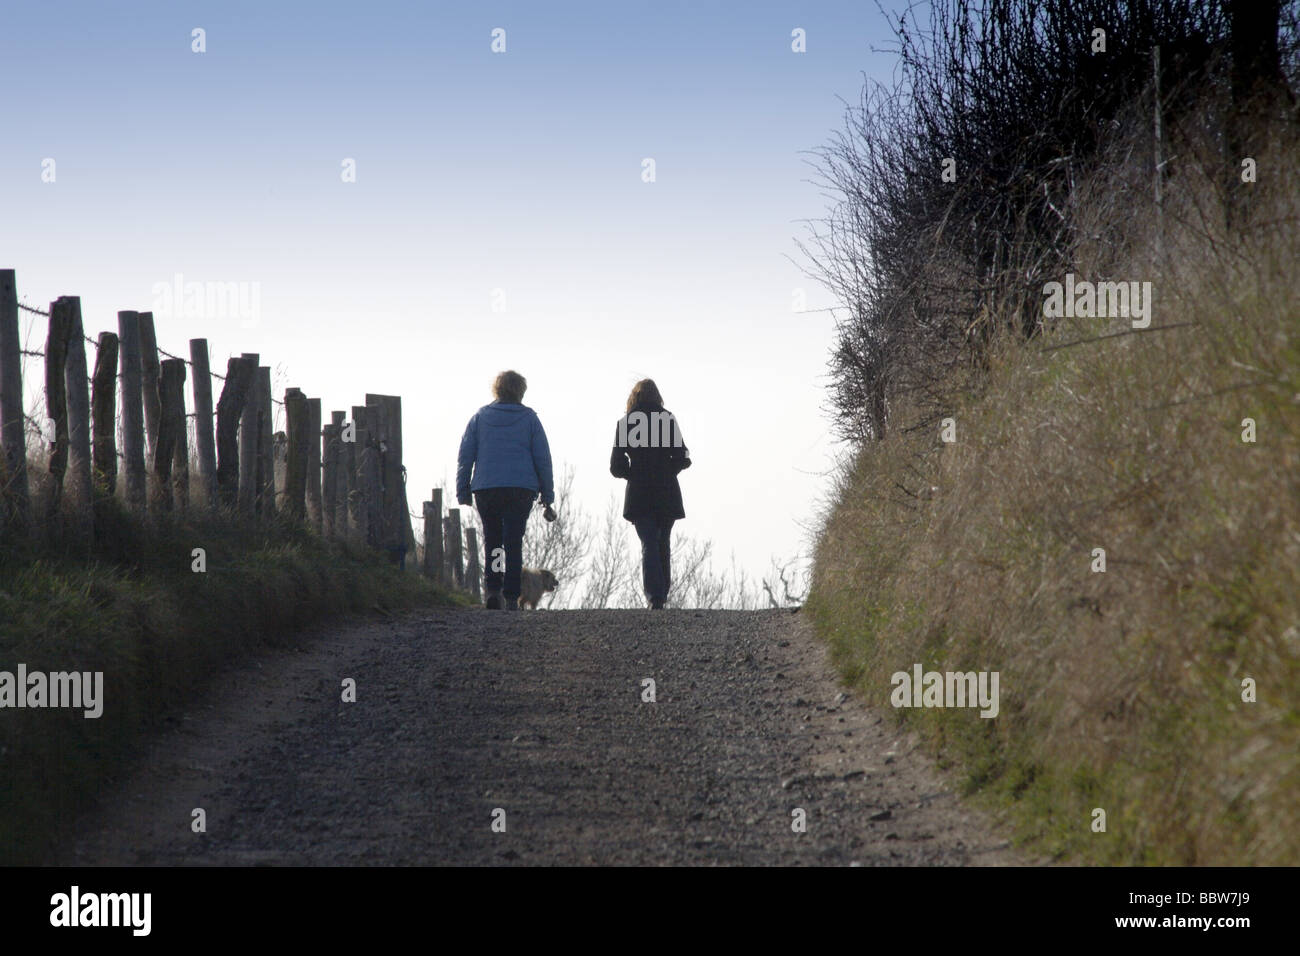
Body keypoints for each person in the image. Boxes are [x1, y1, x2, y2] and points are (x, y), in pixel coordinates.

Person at [457, 370, 555, 610]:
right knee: (513, 541)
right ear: (521, 391)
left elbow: (465, 455)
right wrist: (547, 496)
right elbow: (543, 458)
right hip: (520, 489)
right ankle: (511, 594)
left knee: (493, 540)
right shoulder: (530, 419)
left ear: (497, 390)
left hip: (487, 488)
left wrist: (463, 489)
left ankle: (494, 589)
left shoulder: (480, 417)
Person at [609, 379, 690, 609]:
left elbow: (616, 466)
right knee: (663, 541)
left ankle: (655, 596)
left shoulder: (626, 423)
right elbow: (683, 457)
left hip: (639, 492)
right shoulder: (667, 419)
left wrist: (632, 473)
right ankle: (661, 593)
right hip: (667, 491)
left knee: (649, 543)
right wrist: (668, 470)